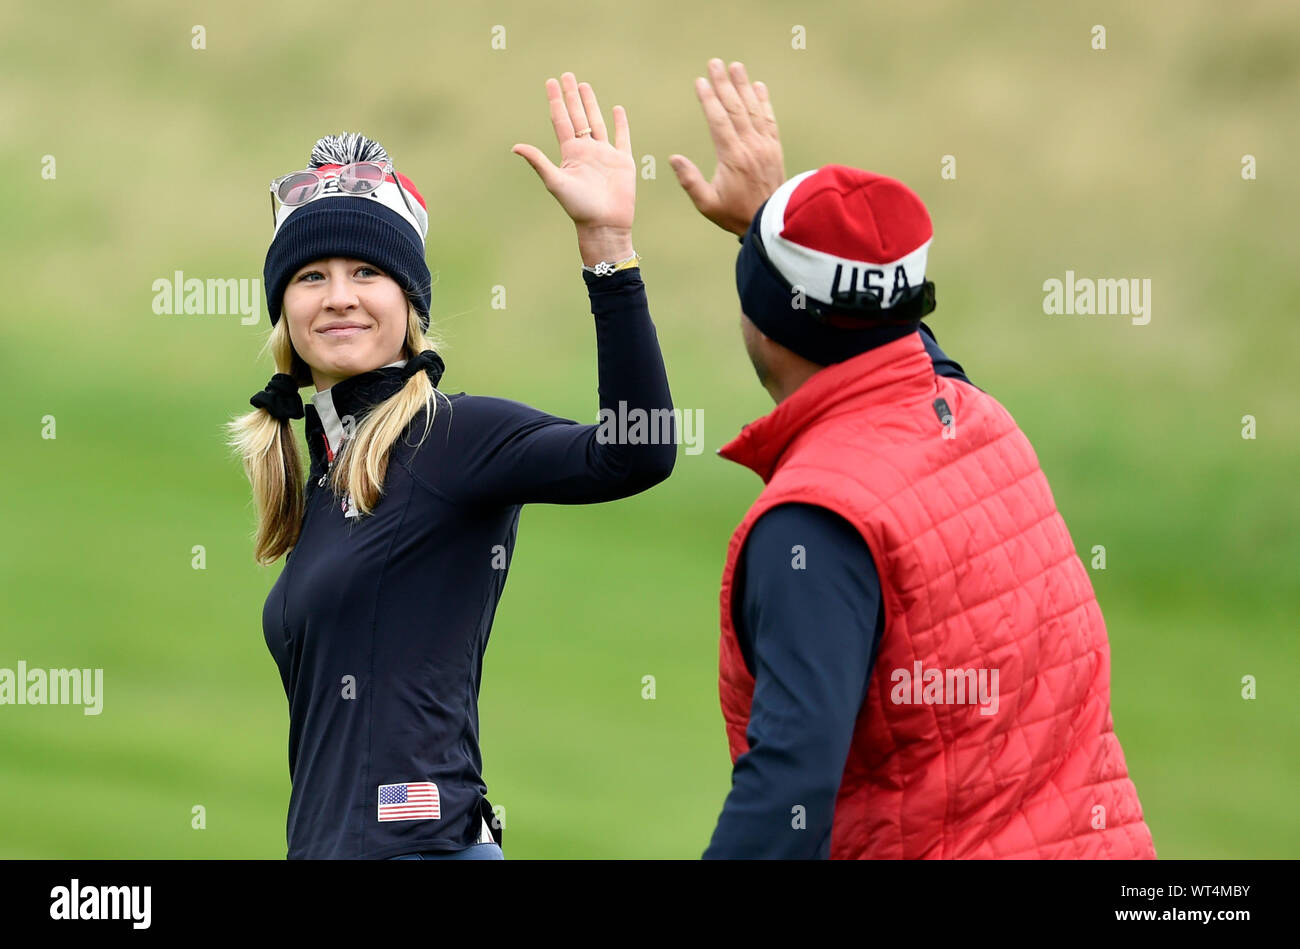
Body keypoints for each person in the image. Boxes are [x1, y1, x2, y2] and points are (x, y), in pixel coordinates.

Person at [671, 59, 1156, 859]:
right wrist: (776, 228)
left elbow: (786, 794)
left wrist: (772, 234)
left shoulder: (816, 524)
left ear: (760, 320)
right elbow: (899, 348)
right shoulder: (979, 420)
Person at [225, 73, 674, 860]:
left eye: (367, 272)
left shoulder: (453, 435)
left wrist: (609, 253)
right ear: (284, 310)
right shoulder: (325, 479)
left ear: (409, 304)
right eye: (310, 276)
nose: (338, 297)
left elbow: (635, 450)